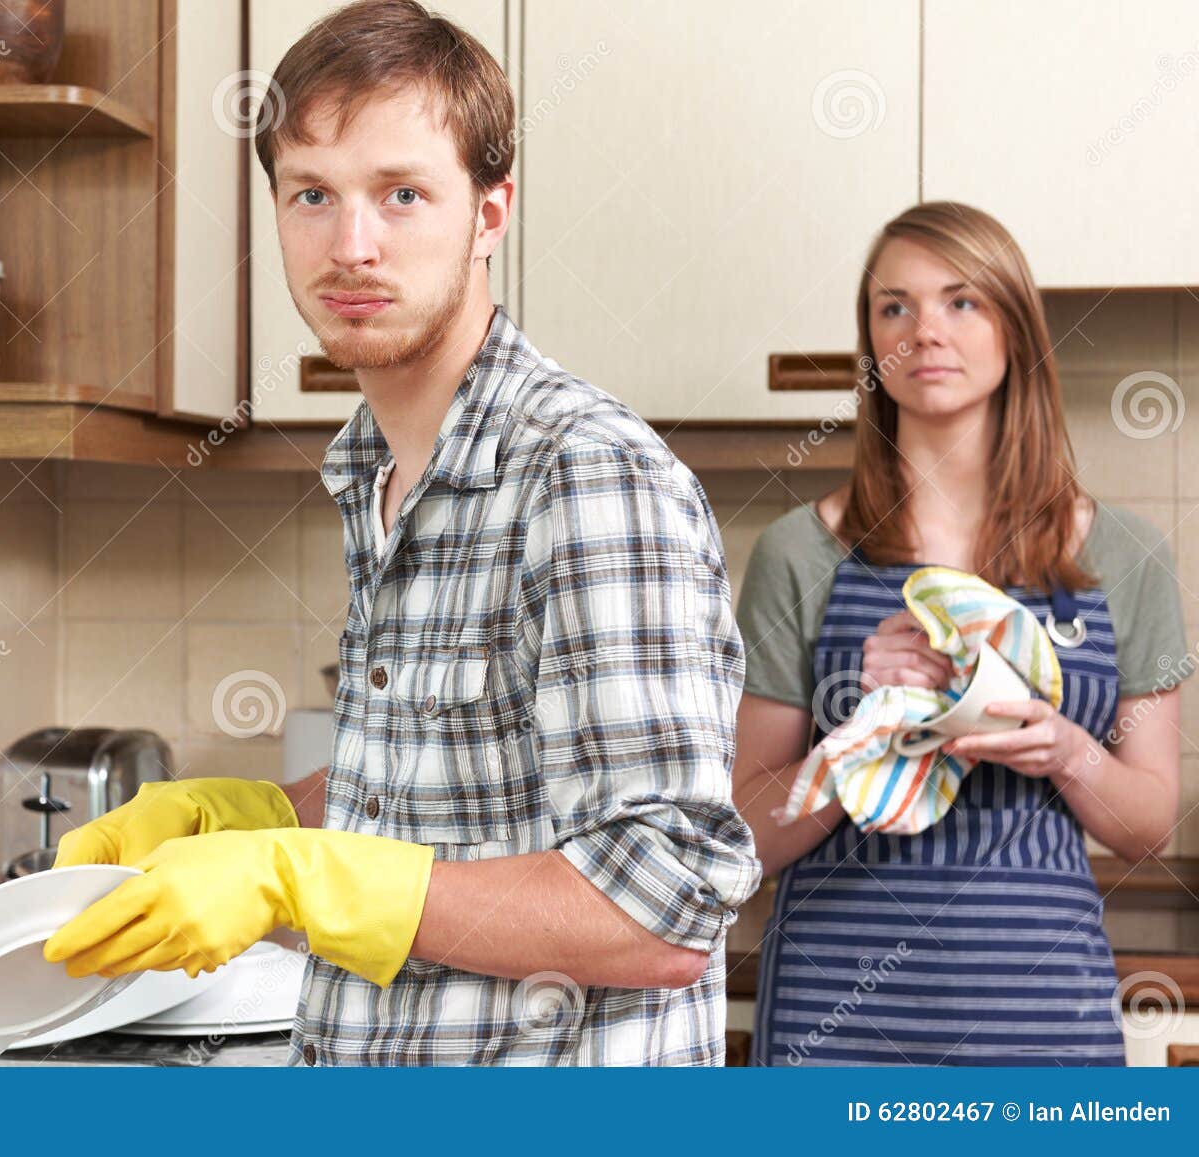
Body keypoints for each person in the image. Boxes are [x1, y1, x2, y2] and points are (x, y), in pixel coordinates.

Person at [41, 0, 759, 1065]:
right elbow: (454, 785)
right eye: (312, 195)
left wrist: (293, 875)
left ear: (490, 211)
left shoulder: (581, 472)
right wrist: (251, 818)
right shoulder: (375, 469)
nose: (351, 245)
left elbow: (660, 907)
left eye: (403, 194)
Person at [733, 201, 1189, 1066]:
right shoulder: (804, 553)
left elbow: (1146, 825)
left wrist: (1066, 751)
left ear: (1016, 328)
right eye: (893, 306)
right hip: (836, 1025)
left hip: (1043, 1023)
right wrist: (868, 734)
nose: (923, 331)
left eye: (962, 302)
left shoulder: (1124, 554)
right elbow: (747, 835)